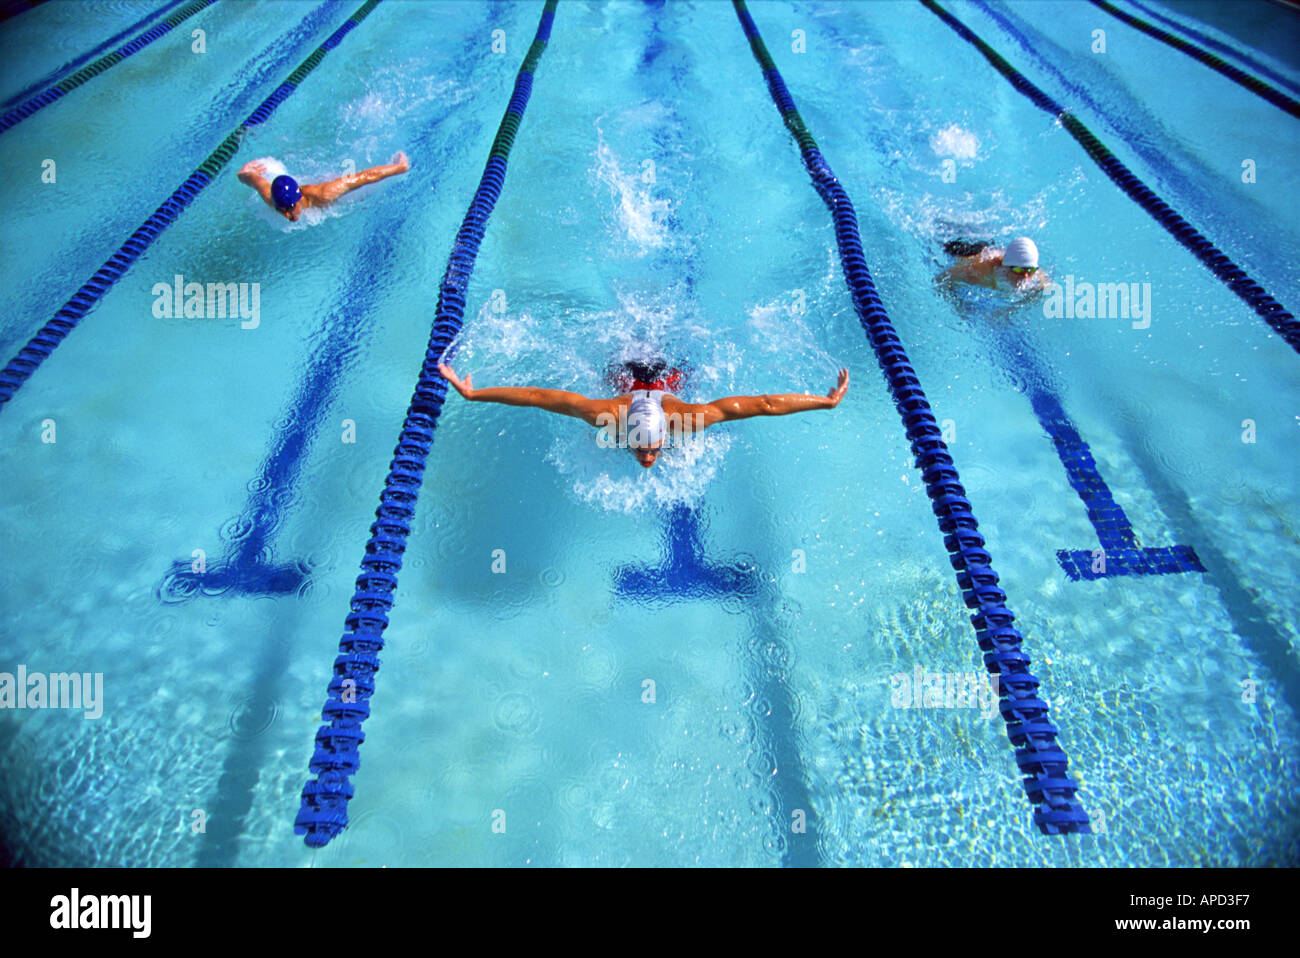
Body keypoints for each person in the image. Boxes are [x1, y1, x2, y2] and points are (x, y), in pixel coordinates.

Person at [437, 359, 850, 469]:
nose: (649, 458)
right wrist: (474, 395)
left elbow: (763, 405)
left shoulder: (688, 417)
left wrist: (826, 400)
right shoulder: (604, 415)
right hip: (627, 374)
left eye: (652, 450)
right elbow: (537, 396)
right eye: (643, 451)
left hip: (668, 376)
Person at [237, 152, 410, 222]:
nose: (287, 215)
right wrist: (243, 174)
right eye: (281, 209)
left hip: (336, 195)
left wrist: (399, 168)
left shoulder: (324, 194)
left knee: (361, 193)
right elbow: (254, 180)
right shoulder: (272, 199)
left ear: (299, 199)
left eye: (290, 208)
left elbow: (363, 177)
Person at [939, 236, 1049, 291]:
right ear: (1006, 266)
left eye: (1030, 270)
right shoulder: (980, 270)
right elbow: (944, 277)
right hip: (963, 248)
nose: (1025, 276)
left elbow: (1045, 286)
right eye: (1018, 270)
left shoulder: (1037, 277)